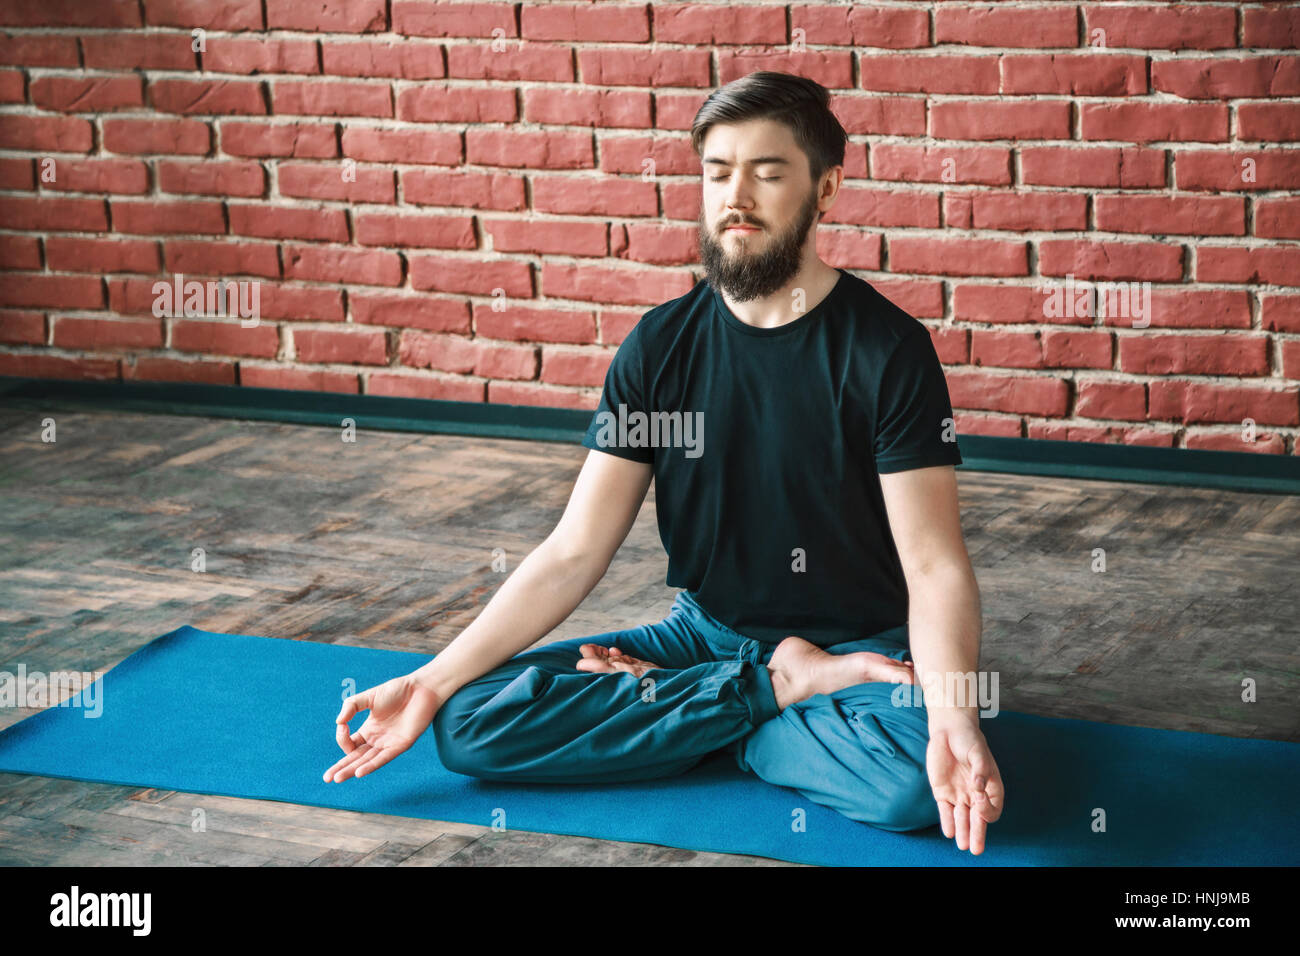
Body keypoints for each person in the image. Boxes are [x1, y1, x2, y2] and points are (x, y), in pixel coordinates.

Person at [323, 71, 1004, 855]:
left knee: (909, 784)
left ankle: (702, 713)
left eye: (767, 172)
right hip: (704, 635)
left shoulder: (888, 351)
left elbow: (935, 565)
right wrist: (430, 679)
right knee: (469, 723)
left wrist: (952, 715)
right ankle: (778, 693)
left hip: (859, 651)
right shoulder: (660, 347)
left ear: (826, 191)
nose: (734, 196)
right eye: (717, 173)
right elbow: (575, 550)